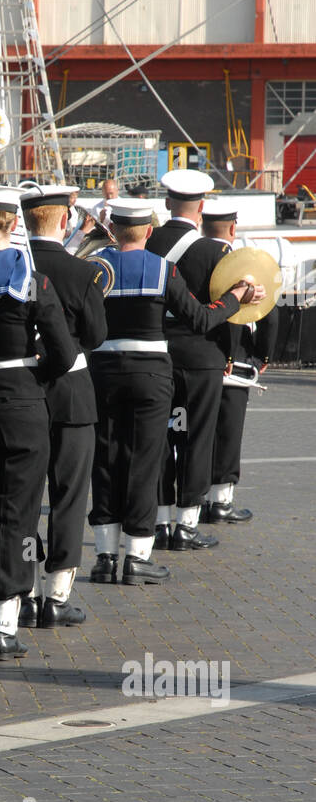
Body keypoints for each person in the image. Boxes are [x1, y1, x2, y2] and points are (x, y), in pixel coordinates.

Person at [85, 198, 263, 586]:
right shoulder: (163, 269)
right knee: (145, 462)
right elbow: (200, 319)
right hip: (150, 375)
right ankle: (136, 557)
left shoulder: (95, 269)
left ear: (113, 229)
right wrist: (234, 298)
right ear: (148, 232)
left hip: (103, 373)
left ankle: (103, 556)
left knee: (105, 459)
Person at [0, 187, 77, 659]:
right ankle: (4, 626)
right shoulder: (33, 276)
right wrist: (29, 376)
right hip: (21, 407)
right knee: (17, 517)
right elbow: (64, 354)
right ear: (13, 223)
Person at [21, 184, 107, 625]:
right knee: (68, 497)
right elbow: (94, 336)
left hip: (23, 392)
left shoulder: (13, 265)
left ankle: (23, 592)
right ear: (64, 220)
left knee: (22, 498)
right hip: (72, 394)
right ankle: (56, 596)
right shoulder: (81, 272)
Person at [148, 169, 233, 551]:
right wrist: (228, 354)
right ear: (202, 207)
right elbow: (231, 312)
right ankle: (186, 524)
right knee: (197, 439)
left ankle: (162, 521)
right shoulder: (215, 250)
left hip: (156, 352)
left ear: (167, 203)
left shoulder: (146, 244)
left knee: (163, 439)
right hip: (202, 357)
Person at [199, 198, 279, 525]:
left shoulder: (190, 258)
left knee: (198, 431)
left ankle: (194, 498)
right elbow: (268, 315)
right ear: (233, 228)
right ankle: (221, 501)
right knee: (228, 431)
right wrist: (262, 355)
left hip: (196, 356)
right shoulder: (240, 263)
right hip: (234, 359)